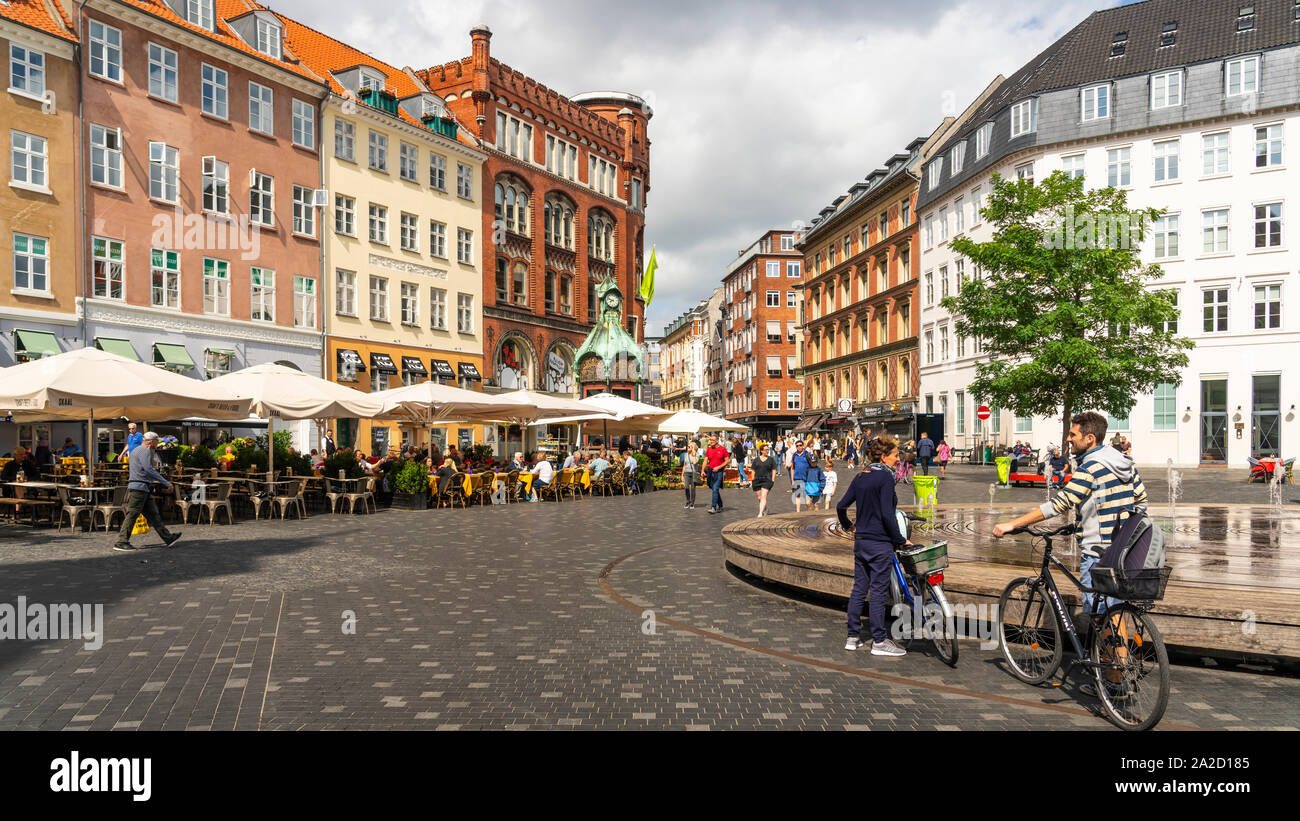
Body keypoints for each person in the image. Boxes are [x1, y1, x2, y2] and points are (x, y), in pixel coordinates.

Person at [993, 412, 1149, 697]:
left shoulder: (1090, 467)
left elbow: (1061, 502)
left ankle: (1114, 684)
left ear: (1090, 438)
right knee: (1115, 614)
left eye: (1072, 435)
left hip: (1098, 551)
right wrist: (1119, 529)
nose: (1068, 438)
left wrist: (1012, 524)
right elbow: (1141, 500)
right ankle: (1119, 673)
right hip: (1122, 550)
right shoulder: (1125, 463)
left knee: (1103, 617)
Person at [837, 436, 911, 656]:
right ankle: (879, 641)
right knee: (878, 591)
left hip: (861, 542)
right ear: (884, 456)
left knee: (859, 589)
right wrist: (900, 539)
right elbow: (888, 516)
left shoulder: (862, 476)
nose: (898, 460)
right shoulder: (885, 479)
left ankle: (852, 637)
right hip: (880, 543)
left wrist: (848, 525)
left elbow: (841, 506)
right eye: (896, 456)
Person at [113, 432, 182, 551]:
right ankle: (121, 541)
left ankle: (168, 537)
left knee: (153, 515)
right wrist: (166, 482)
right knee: (133, 514)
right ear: (150, 442)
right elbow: (148, 469)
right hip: (139, 487)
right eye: (156, 441)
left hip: (142, 487)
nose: (158, 443)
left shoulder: (135, 450)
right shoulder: (145, 451)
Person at [749, 442, 776, 516]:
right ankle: (765, 509)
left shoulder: (771, 459)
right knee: (759, 497)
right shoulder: (756, 460)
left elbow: (774, 470)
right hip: (757, 480)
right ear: (761, 451)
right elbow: (753, 470)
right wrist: (753, 480)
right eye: (766, 450)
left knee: (764, 496)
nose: (767, 451)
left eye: (768, 450)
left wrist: (773, 479)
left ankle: (760, 513)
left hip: (767, 480)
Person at [704, 435, 729, 514]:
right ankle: (720, 505)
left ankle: (713, 507)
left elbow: (727, 461)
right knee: (713, 488)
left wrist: (719, 467)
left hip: (718, 471)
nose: (711, 441)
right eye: (710, 440)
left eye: (713, 440)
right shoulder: (709, 449)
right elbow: (705, 460)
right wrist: (702, 470)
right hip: (710, 471)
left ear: (717, 441)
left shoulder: (722, 449)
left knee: (715, 489)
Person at [790, 438, 813, 512]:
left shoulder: (807, 454)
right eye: (797, 446)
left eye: (800, 445)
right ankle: (798, 512)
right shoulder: (794, 455)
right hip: (797, 478)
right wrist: (792, 479)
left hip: (807, 479)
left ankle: (810, 511)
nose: (799, 447)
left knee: (807, 500)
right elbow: (792, 468)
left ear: (803, 446)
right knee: (798, 496)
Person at [681, 440, 700, 509]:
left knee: (692, 488)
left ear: (693, 447)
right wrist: (682, 475)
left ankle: (692, 503)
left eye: (689, 446)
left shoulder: (697, 455)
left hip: (694, 473)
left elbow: (695, 462)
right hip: (686, 473)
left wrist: (694, 455)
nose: (687, 447)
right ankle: (687, 501)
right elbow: (684, 465)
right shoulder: (686, 455)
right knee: (686, 487)